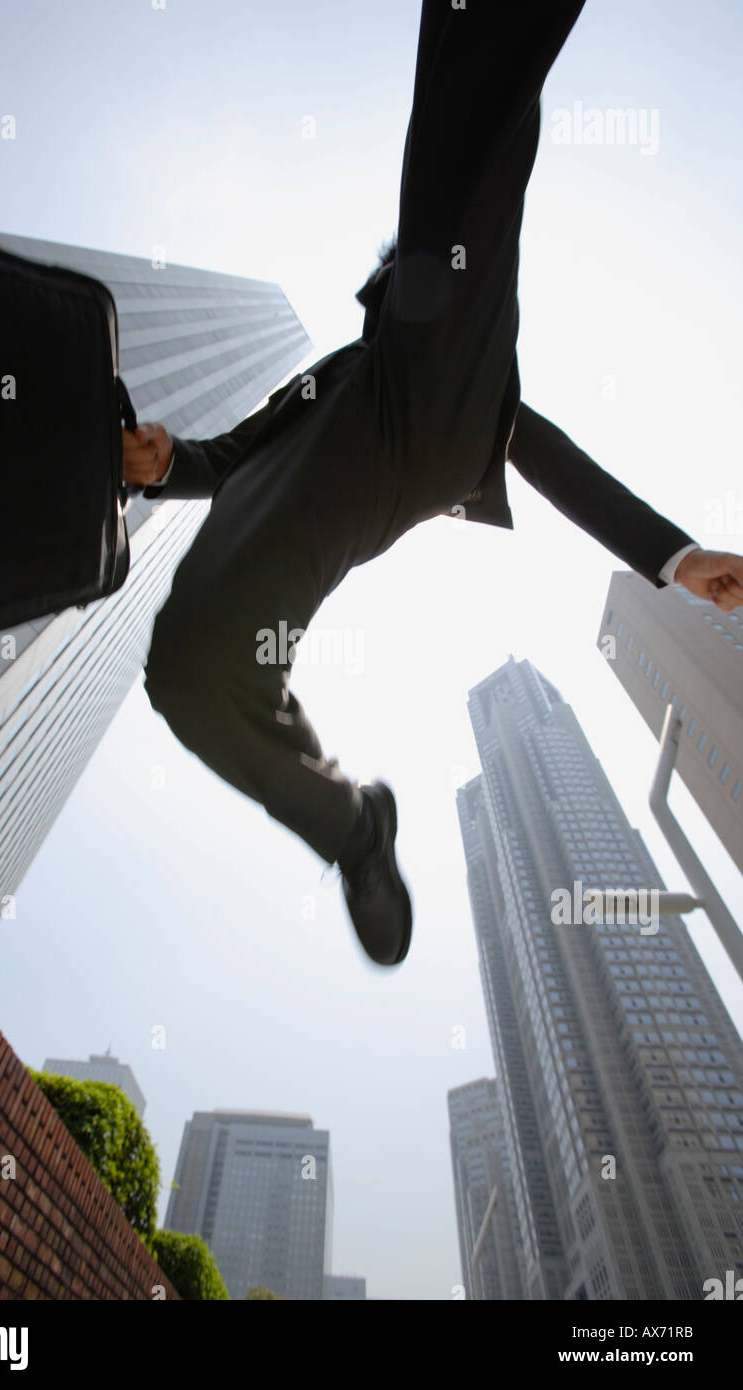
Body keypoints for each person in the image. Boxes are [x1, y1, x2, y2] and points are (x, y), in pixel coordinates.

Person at [122, 0, 743, 969]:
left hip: (429, 401)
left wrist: (664, 552)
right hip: (293, 485)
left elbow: (535, 449)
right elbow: (227, 457)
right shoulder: (321, 377)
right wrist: (163, 464)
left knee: (459, 160)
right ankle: (357, 826)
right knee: (183, 670)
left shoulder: (432, 342)